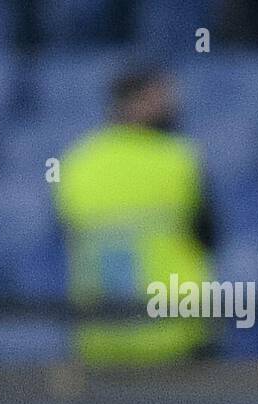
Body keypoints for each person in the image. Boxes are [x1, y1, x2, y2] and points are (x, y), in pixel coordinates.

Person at [54, 67, 217, 368]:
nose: (171, 106)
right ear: (134, 102)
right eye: (160, 98)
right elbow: (210, 237)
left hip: (101, 337)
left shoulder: (77, 161)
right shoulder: (178, 159)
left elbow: (65, 236)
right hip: (175, 335)